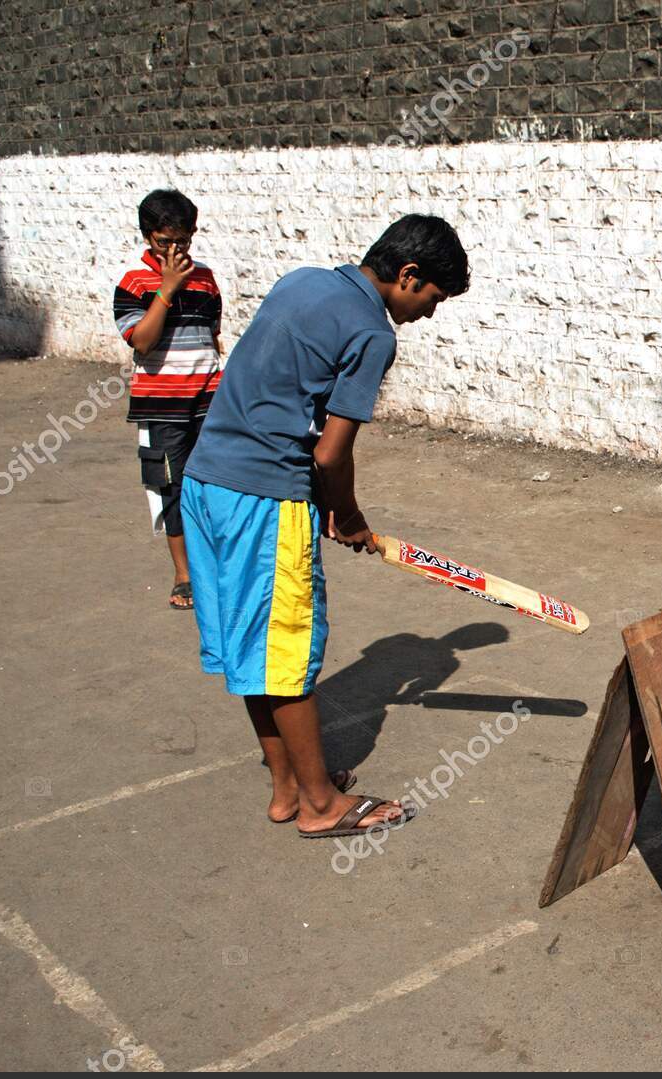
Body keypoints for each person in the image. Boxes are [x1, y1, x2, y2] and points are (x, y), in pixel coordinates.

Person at [181, 214, 470, 839]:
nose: (428, 313)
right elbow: (330, 452)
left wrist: (331, 507)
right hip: (263, 499)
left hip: (205, 483)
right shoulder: (373, 332)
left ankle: (288, 787)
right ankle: (319, 804)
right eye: (432, 299)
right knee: (284, 653)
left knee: (253, 649)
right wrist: (347, 513)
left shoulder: (301, 281)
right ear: (409, 275)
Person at [113, 189, 222, 610]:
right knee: (170, 486)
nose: (175, 250)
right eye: (165, 243)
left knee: (211, 484)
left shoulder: (206, 278)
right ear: (148, 237)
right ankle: (184, 574)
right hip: (163, 407)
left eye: (184, 241)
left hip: (209, 400)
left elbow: (211, 336)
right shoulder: (134, 282)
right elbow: (141, 341)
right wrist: (167, 288)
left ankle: (215, 564)